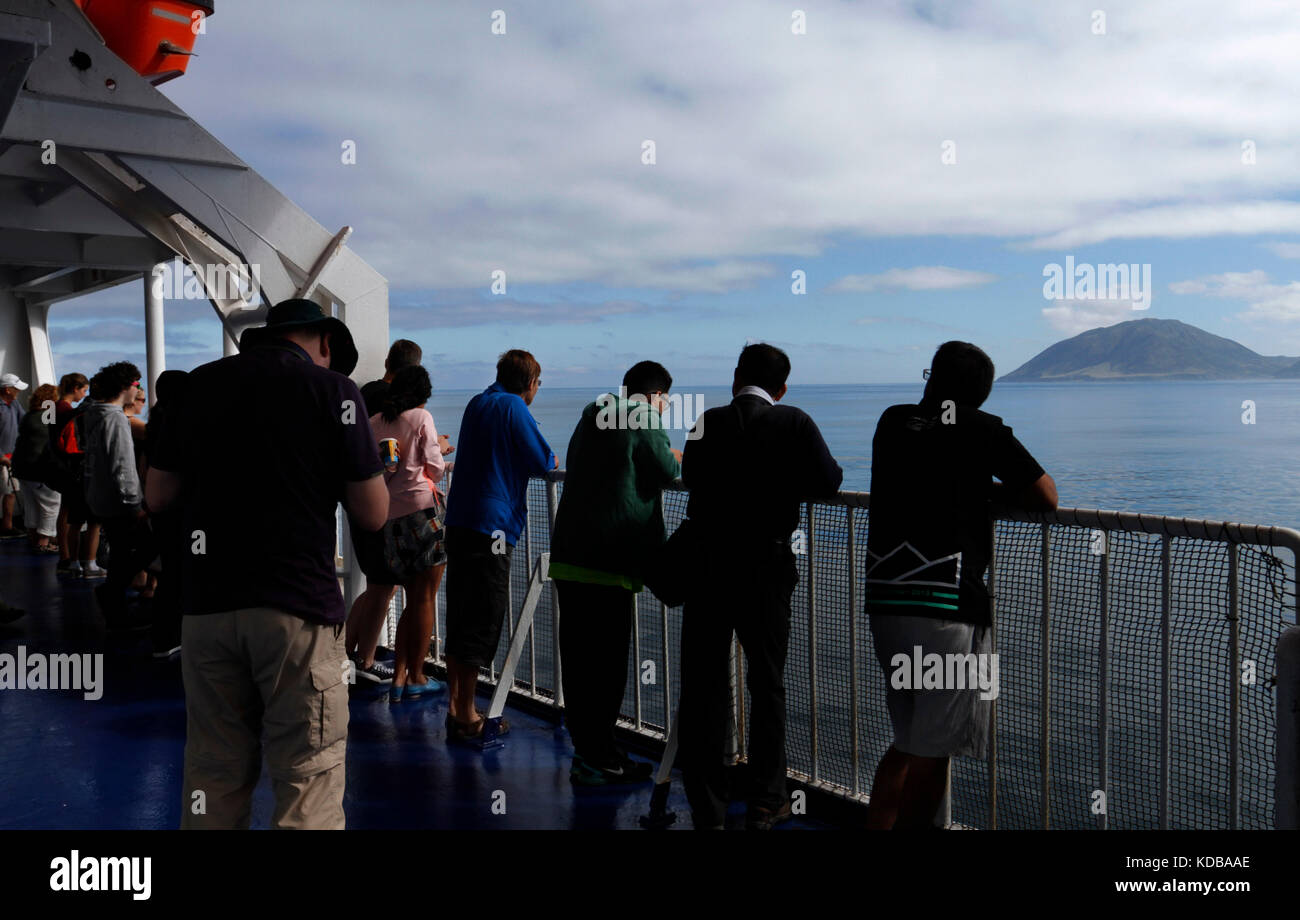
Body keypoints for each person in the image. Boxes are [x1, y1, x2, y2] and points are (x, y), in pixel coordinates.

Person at [146, 298, 387, 830]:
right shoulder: (333, 392)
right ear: (323, 343)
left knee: (212, 770)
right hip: (294, 611)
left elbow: (158, 493)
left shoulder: (198, 386)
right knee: (307, 775)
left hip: (206, 607)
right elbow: (372, 514)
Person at [864, 341, 1057, 830]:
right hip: (945, 606)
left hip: (887, 597)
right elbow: (1046, 496)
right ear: (982, 393)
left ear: (931, 378)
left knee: (908, 740)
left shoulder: (892, 421)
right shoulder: (981, 429)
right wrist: (984, 488)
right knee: (934, 750)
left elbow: (925, 472)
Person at [678, 343, 843, 830]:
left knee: (704, 685)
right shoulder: (794, 422)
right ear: (782, 387)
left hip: (707, 567)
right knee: (767, 684)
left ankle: (706, 804)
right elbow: (830, 481)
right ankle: (766, 800)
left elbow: (690, 477)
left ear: (735, 379)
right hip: (766, 570)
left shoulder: (706, 421)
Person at [549, 361, 681, 784]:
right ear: (657, 394)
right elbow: (667, 469)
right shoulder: (643, 415)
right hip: (608, 562)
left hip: (571, 555)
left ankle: (586, 753)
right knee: (605, 668)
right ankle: (602, 758)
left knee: (579, 663)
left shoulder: (594, 412)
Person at [442, 349, 556, 743]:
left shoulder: (479, 402)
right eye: (537, 384)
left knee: (459, 615)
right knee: (482, 618)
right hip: (491, 528)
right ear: (529, 383)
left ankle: (455, 706)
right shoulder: (513, 406)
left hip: (459, 521)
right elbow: (544, 460)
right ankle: (467, 715)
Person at [346, 338, 442, 685]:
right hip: (410, 511)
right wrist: (438, 449)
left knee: (379, 586)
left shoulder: (368, 409)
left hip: (374, 507)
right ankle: (390, 668)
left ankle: (350, 656)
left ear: (388, 361)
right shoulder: (414, 415)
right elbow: (431, 465)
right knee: (411, 592)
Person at [82, 362, 154, 628]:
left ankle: (114, 601)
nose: (138, 392)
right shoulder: (114, 419)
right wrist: (135, 504)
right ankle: (112, 597)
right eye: (136, 385)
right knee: (146, 547)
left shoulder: (93, 414)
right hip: (118, 503)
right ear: (126, 387)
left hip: (99, 497)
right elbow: (122, 465)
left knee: (123, 553)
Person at [142, 370, 190, 659]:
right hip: (178, 511)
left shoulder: (155, 423)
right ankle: (172, 636)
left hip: (160, 510)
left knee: (170, 573)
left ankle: (165, 636)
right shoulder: (179, 426)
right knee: (179, 573)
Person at [11, 384, 62, 553]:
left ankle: (33, 538)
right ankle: (44, 542)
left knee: (31, 505)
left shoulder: (28, 416)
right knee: (51, 504)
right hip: (39, 469)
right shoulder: (49, 415)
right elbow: (53, 439)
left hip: (22, 469)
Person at [51, 373, 89, 571]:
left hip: (57, 464)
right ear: (75, 388)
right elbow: (70, 444)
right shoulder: (68, 411)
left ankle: (64, 554)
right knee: (67, 512)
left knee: (63, 511)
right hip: (67, 466)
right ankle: (66, 555)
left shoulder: (53, 407)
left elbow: (47, 431)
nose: (84, 394)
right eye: (83, 390)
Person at [0, 372, 29, 538]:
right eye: (15, 388)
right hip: (3, 457)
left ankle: (7, 526)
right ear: (7, 389)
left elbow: (24, 422)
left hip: (11, 457)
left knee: (11, 492)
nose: (18, 391)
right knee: (4, 491)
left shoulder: (14, 403)